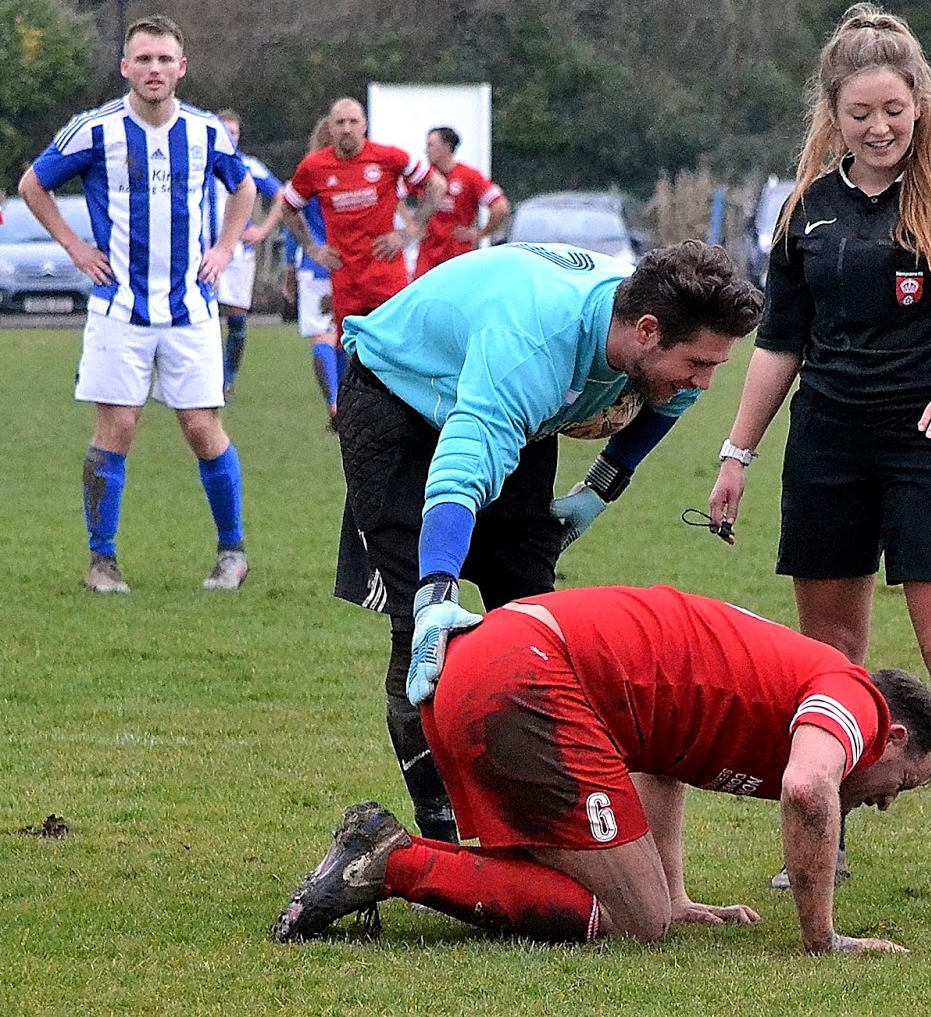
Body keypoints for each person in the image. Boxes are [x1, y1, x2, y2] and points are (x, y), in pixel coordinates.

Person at [707, 3, 931, 906]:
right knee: (829, 655)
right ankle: (824, 838)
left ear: (920, 102)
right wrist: (738, 453)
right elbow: (779, 346)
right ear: (833, 116)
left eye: (895, 109)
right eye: (861, 114)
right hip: (828, 447)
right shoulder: (805, 211)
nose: (881, 127)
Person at [334, 239, 762, 844]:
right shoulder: (533, 347)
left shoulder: (663, 334)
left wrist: (599, 488)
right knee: (422, 632)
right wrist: (436, 590)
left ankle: (529, 818)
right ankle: (445, 831)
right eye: (699, 364)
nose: (707, 383)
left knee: (532, 618)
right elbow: (463, 466)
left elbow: (673, 397)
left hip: (523, 412)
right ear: (645, 332)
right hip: (397, 402)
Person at [270, 584, 931, 953]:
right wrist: (821, 937)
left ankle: (398, 861)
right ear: (891, 734)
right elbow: (808, 788)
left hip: (490, 666)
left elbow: (663, 760)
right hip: (526, 679)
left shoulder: (791, 691)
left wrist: (678, 889)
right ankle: (392, 860)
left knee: (641, 903)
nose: (887, 801)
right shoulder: (855, 699)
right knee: (638, 921)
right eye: (902, 782)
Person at [17, 15, 256, 595]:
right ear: (125, 67)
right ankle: (102, 563)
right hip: (118, 307)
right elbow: (32, 183)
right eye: (143, 59)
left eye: (164, 59)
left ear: (182, 67)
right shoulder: (95, 130)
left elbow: (243, 186)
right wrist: (75, 247)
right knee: (116, 427)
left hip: (191, 309)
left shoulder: (204, 132)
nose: (154, 69)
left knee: (203, 428)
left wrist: (225, 248)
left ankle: (232, 554)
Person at [279, 97, 445, 335]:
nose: (347, 129)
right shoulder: (314, 167)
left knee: (394, 347)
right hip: (345, 278)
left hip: (385, 273)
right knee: (353, 353)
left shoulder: (389, 157)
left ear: (364, 125)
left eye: (353, 121)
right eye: (340, 122)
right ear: (330, 128)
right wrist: (312, 248)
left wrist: (410, 232)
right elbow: (287, 207)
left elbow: (436, 185)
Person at [209, 110, 284, 400]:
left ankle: (228, 380)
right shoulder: (200, 161)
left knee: (236, 318)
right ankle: (204, 379)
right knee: (201, 317)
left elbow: (280, 196)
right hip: (202, 252)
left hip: (238, 254)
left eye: (234, 133)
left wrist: (263, 230)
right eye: (224, 131)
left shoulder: (248, 165)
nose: (229, 137)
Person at [276, 118, 343, 424]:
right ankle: (346, 402)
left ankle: (333, 403)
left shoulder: (309, 172)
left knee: (322, 336)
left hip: (314, 266)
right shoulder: (350, 174)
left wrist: (289, 268)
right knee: (346, 336)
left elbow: (293, 224)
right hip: (348, 265)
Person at [414, 126, 509, 276]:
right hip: (427, 259)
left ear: (446, 147)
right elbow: (395, 193)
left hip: (457, 258)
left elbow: (500, 207)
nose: (426, 150)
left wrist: (480, 234)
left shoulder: (469, 176)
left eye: (430, 145)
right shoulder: (424, 176)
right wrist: (412, 224)